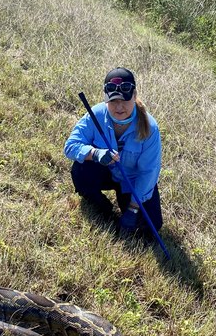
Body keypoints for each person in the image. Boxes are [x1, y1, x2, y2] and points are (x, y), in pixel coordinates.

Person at [64, 67, 162, 235]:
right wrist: (95, 153)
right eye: (113, 101)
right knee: (80, 170)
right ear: (105, 99)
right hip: (106, 172)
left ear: (134, 96)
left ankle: (128, 209)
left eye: (124, 100)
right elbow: (70, 146)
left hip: (132, 181)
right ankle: (104, 209)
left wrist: (133, 208)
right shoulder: (95, 114)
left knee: (151, 226)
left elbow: (148, 172)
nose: (119, 106)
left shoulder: (150, 128)